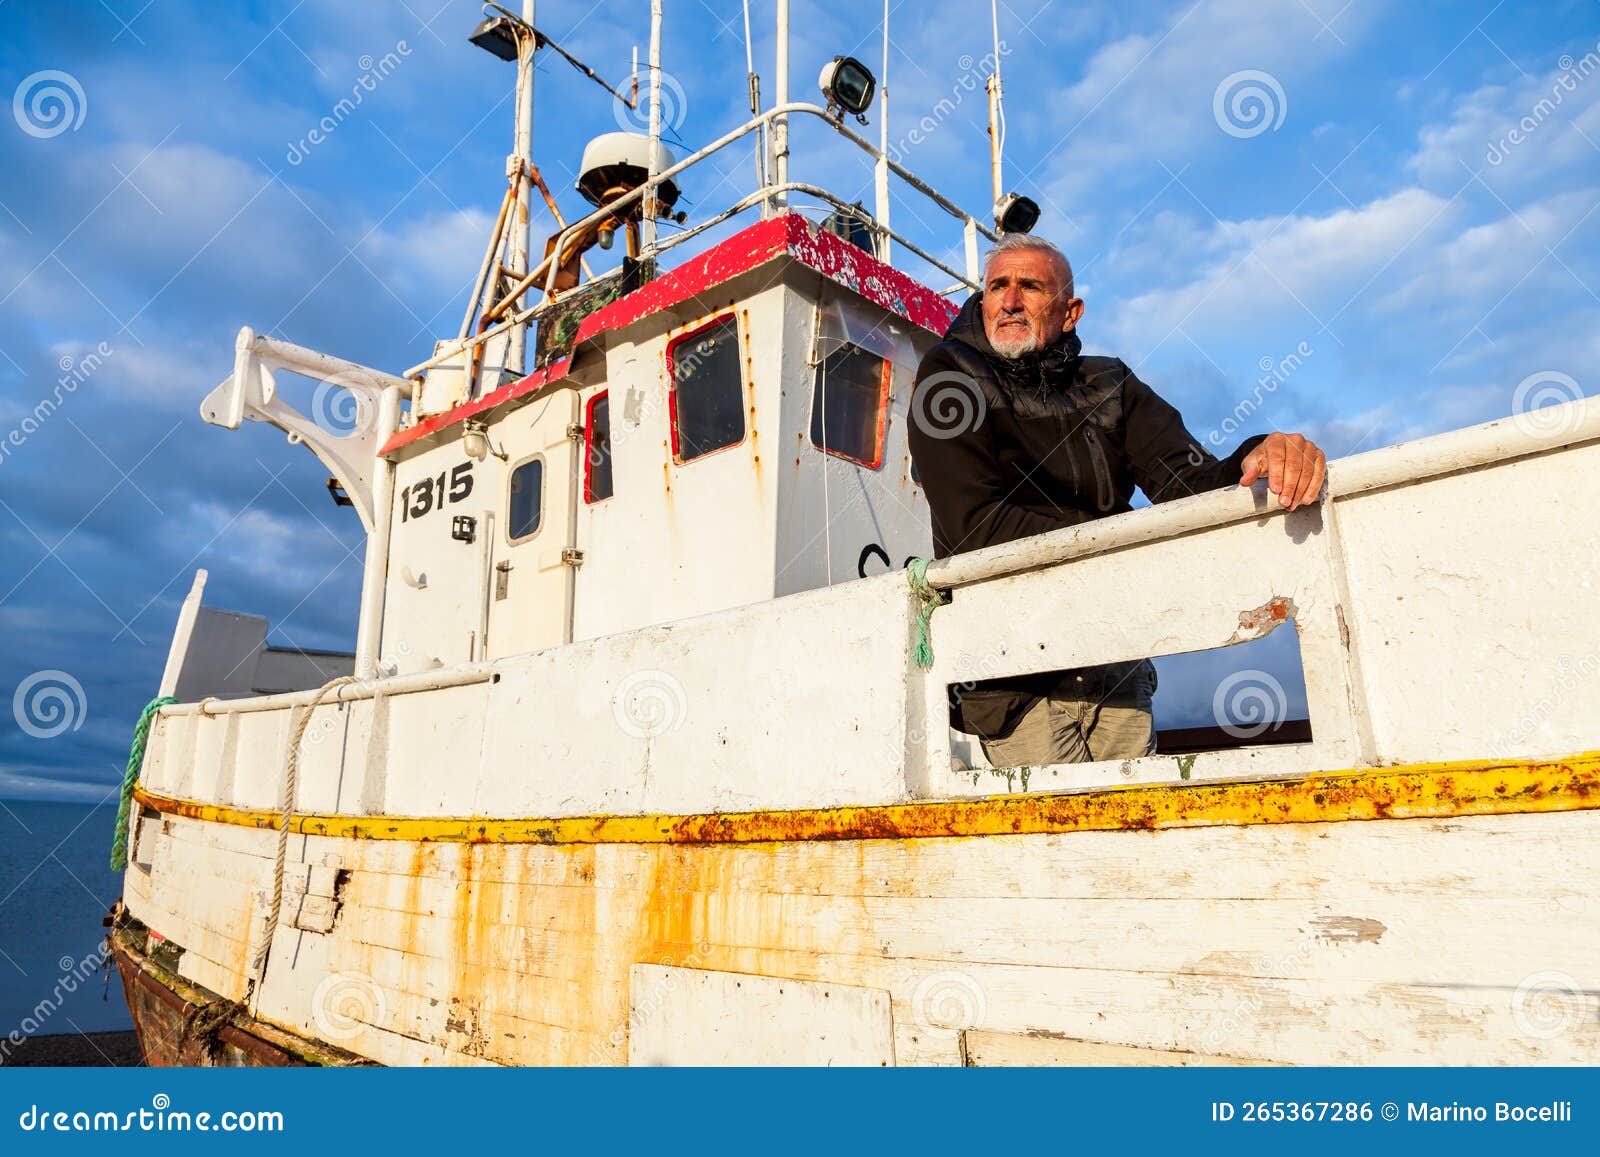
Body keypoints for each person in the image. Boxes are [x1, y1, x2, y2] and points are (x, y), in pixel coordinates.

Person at [907, 233, 1326, 768]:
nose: (1010, 301)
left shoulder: (1110, 385)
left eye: (1030, 287)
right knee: (1051, 844)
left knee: (1134, 838)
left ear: (1070, 311)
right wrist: (1117, 535)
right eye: (998, 287)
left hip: (1115, 657)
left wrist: (1260, 453)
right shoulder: (948, 376)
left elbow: (1190, 486)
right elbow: (973, 527)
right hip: (1015, 673)